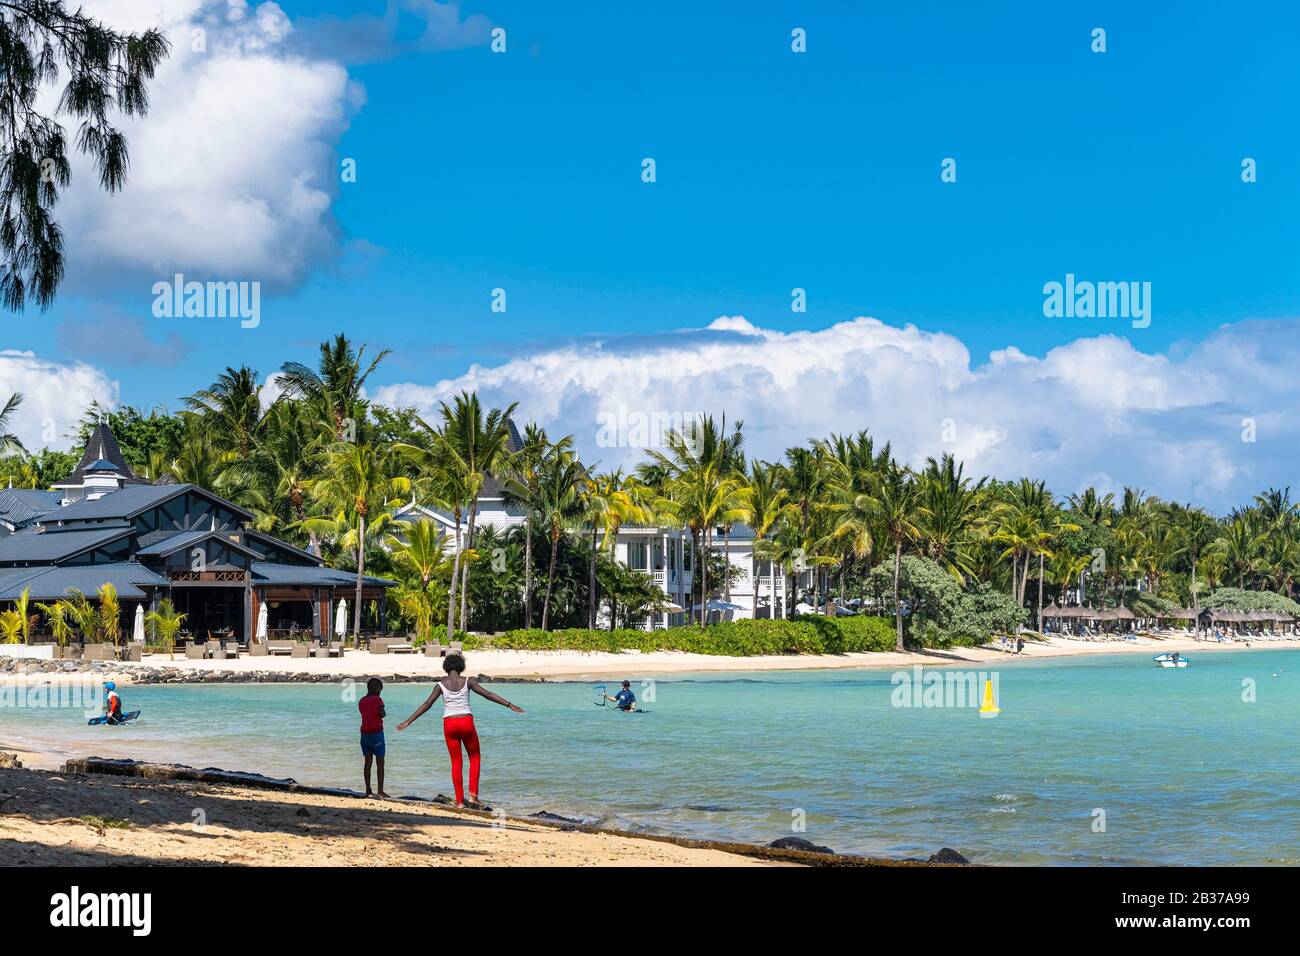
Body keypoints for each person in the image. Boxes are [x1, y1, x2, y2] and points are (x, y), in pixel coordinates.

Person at [396, 652, 524, 808]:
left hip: (449, 724)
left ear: (446, 668)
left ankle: (459, 802)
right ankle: (473, 796)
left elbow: (427, 704)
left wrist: (409, 721)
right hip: (466, 722)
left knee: (456, 762)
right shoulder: (468, 681)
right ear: (461, 667)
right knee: (475, 757)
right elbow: (487, 694)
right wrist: (510, 705)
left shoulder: (440, 685)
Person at [359, 677, 389, 798]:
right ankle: (380, 791)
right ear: (376, 688)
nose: (380, 692)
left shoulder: (361, 701)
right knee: (380, 762)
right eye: (380, 690)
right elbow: (382, 714)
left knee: (367, 762)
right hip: (376, 734)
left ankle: (368, 790)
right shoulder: (377, 699)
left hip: (364, 735)